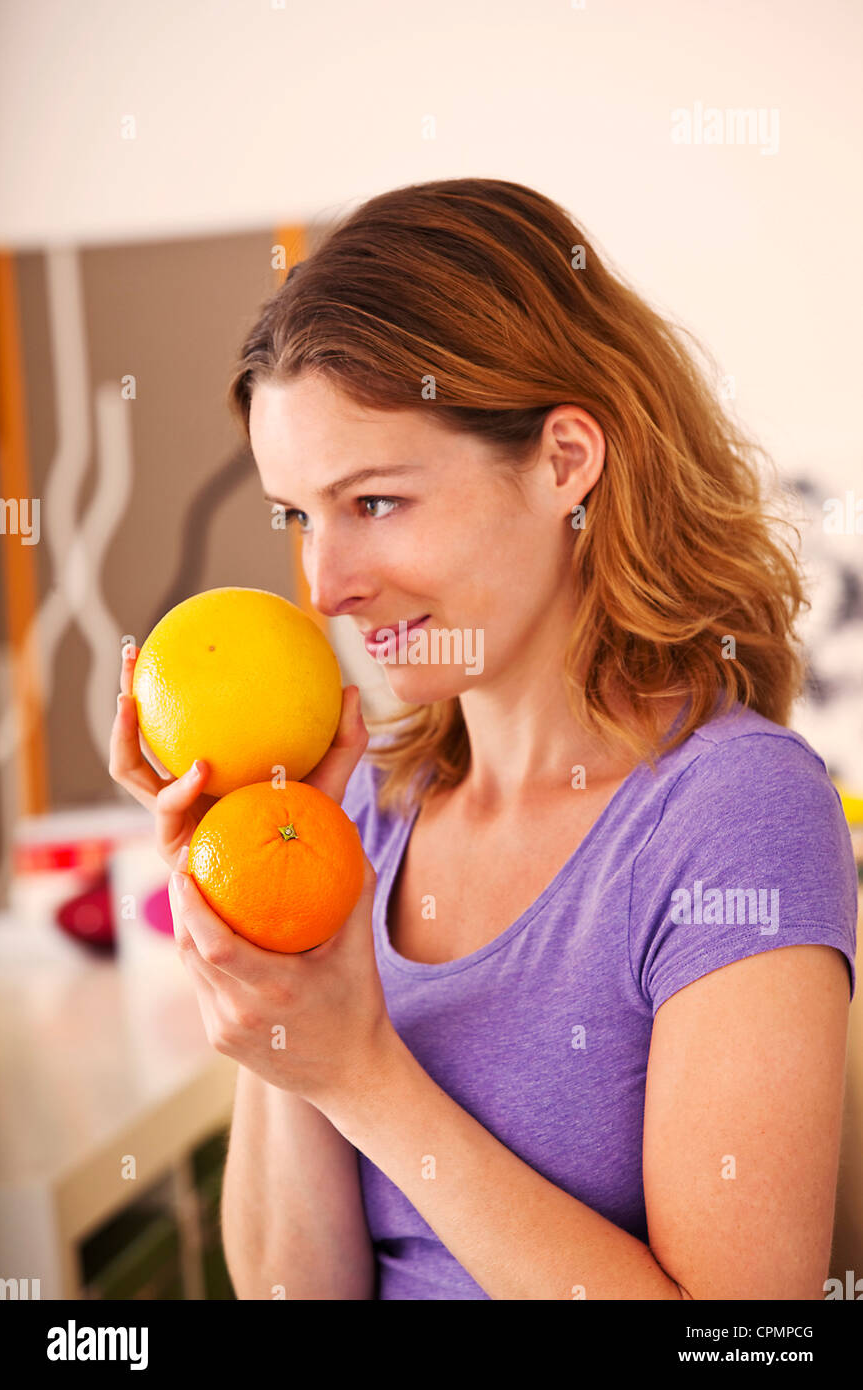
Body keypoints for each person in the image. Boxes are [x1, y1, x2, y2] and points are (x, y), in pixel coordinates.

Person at [112, 178, 857, 1300]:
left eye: (373, 503)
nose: (326, 587)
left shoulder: (731, 815)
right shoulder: (363, 808)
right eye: (300, 516)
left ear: (563, 461)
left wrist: (362, 1073)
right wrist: (271, 949)